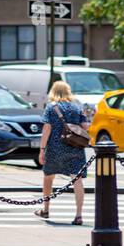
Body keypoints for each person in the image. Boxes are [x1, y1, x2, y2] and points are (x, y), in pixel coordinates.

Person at [35, 80, 91, 225]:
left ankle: (46, 209)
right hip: (75, 147)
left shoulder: (51, 107)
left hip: (55, 148)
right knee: (77, 180)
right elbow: (86, 127)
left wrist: (42, 150)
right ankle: (79, 215)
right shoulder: (76, 107)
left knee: (48, 177)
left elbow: (47, 128)